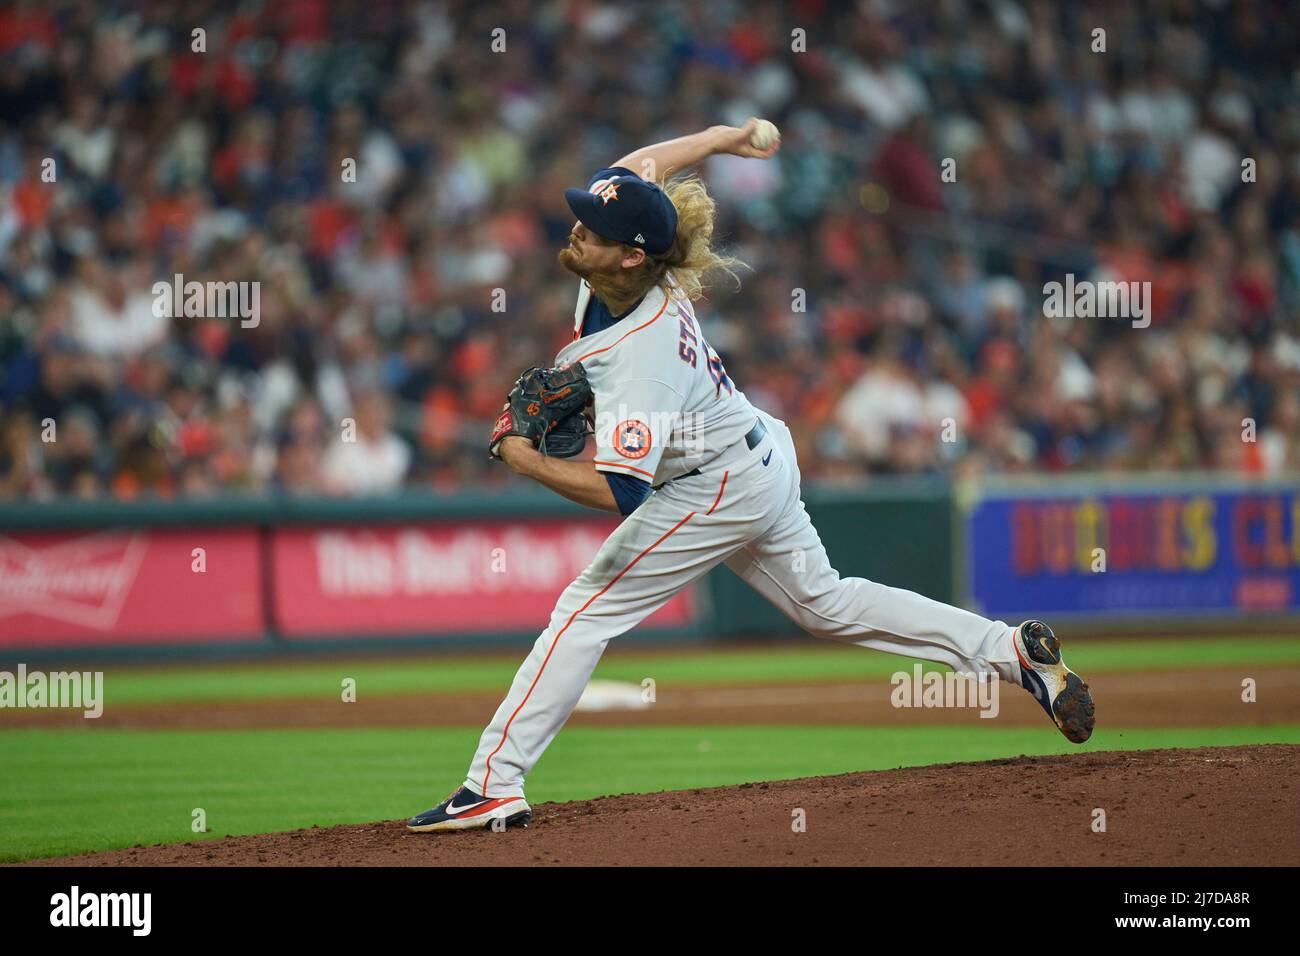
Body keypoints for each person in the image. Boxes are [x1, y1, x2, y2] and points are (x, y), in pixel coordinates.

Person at [408, 120, 1094, 832]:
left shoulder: (644, 354)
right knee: (825, 604)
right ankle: (1008, 651)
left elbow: (620, 491)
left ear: (633, 259)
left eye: (594, 228)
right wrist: (721, 136)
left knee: (585, 610)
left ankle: (493, 783)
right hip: (752, 452)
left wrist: (520, 455)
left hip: (717, 483)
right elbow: (639, 163)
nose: (578, 229)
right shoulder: (624, 271)